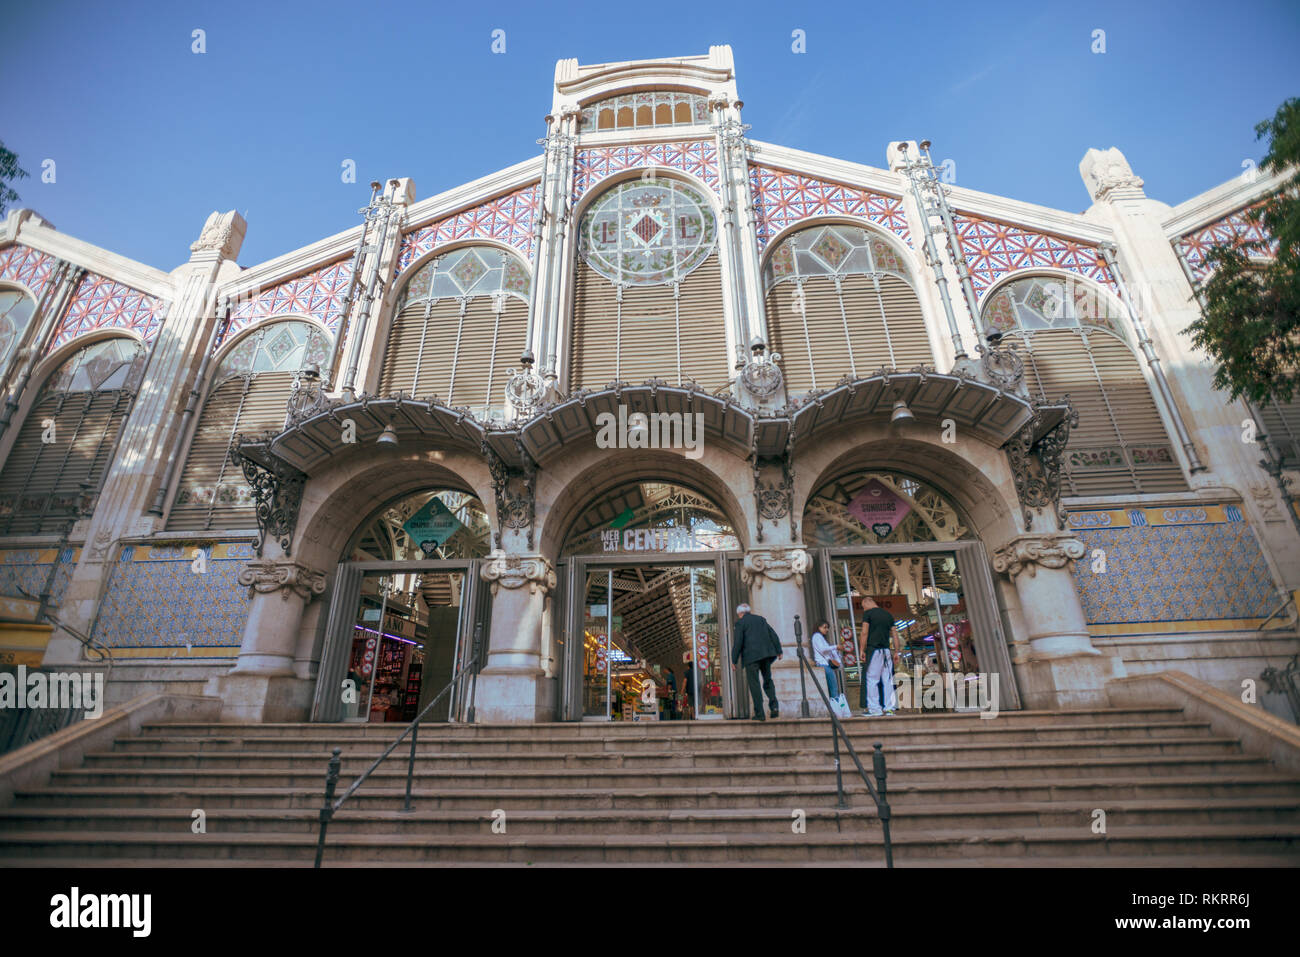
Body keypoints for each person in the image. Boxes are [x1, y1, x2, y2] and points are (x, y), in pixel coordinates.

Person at [731, 603, 783, 721]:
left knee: (754, 684)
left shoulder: (740, 623)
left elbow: (738, 642)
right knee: (768, 680)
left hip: (751, 658)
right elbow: (773, 634)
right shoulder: (761, 619)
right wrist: (779, 650)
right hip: (765, 655)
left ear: (740, 613)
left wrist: (734, 660)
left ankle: (760, 713)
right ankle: (774, 707)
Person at [858, 597, 898, 717]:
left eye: (863, 607)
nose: (863, 609)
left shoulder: (868, 614)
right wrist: (897, 651)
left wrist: (861, 650)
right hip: (886, 651)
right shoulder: (888, 615)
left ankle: (875, 709)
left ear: (867, 604)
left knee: (872, 680)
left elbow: (864, 632)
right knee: (887, 680)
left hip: (874, 650)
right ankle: (889, 708)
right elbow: (895, 635)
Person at [811, 621, 842, 702]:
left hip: (825, 664)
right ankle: (837, 707)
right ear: (819, 627)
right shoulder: (817, 636)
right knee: (833, 687)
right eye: (824, 627)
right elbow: (822, 649)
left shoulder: (819, 637)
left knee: (832, 687)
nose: (827, 629)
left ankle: (835, 706)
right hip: (823, 664)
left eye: (827, 627)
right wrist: (835, 647)